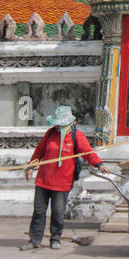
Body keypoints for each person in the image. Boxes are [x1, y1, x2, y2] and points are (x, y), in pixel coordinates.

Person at [22, 106, 111, 250]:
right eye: (57, 124)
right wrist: (30, 167)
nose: (58, 127)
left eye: (61, 124)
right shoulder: (50, 134)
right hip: (44, 179)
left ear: (70, 123)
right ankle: (34, 240)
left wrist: (99, 165)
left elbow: (88, 153)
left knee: (58, 212)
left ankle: (55, 238)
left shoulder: (77, 136)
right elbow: (39, 151)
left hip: (62, 182)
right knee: (39, 211)